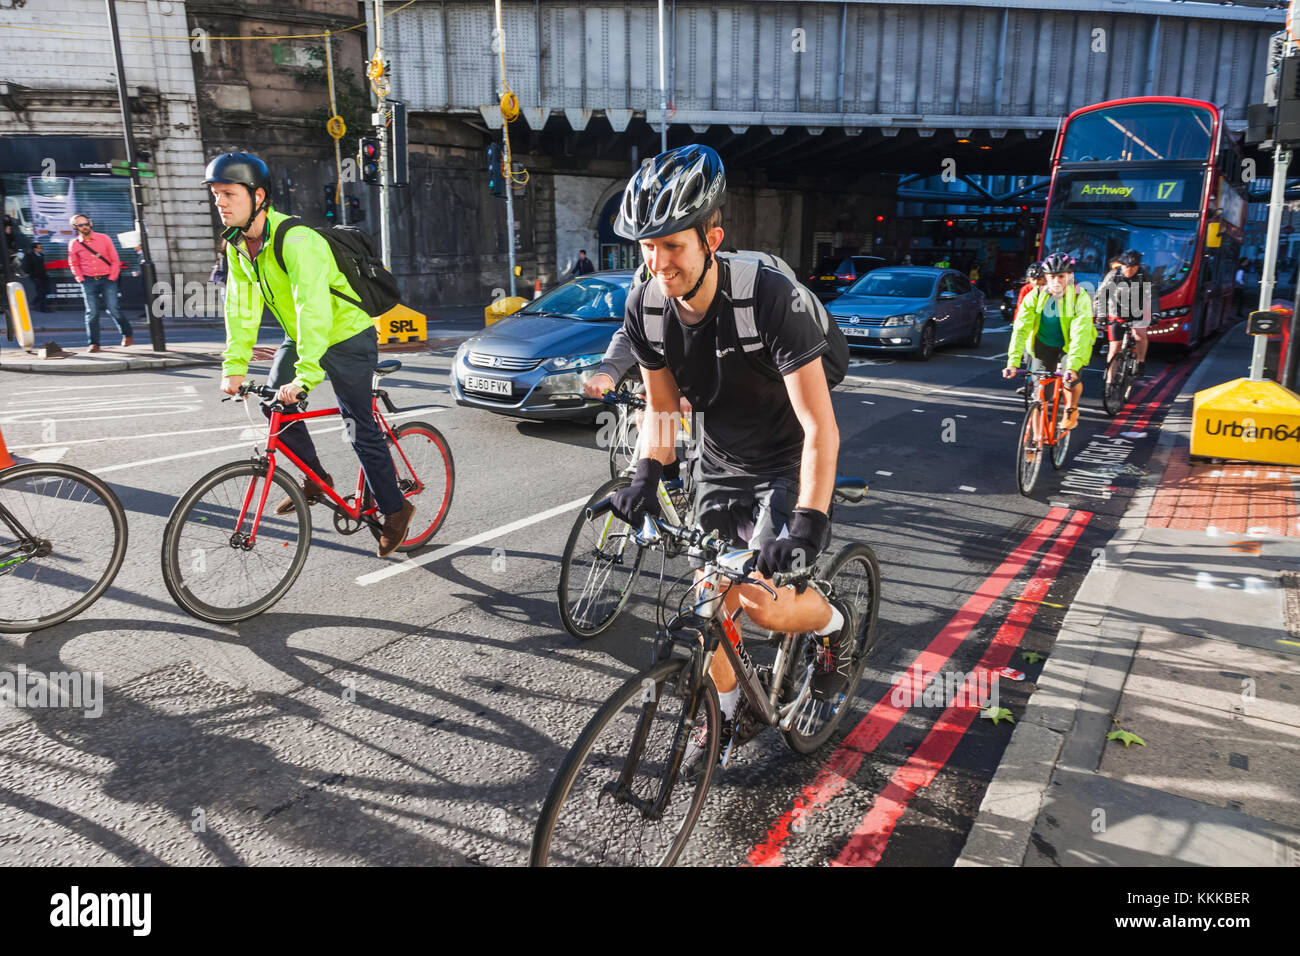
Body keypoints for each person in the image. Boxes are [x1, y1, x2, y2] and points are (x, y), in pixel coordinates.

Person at [607, 144, 856, 767]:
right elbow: (662, 407)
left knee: (764, 606)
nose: (657, 263)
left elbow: (820, 426)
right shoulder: (645, 307)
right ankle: (725, 717)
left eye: (673, 246)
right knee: (708, 596)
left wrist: (808, 526)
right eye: (646, 247)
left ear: (711, 237)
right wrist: (647, 472)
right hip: (718, 459)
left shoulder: (769, 299)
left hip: (785, 457)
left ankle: (835, 630)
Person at [206, 151, 414, 557]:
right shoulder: (238, 244)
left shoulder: (299, 241)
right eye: (216, 195)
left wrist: (305, 378)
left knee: (359, 426)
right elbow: (241, 307)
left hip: (347, 336)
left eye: (229, 193)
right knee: (274, 406)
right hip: (302, 336)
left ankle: (396, 508)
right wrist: (234, 366)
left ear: (258, 196)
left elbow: (313, 308)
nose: (221, 203)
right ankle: (316, 479)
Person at [1003, 253, 1095, 432]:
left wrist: (1072, 367)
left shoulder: (1079, 297)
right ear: (1046, 277)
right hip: (1044, 345)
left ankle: (1071, 409)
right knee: (1039, 396)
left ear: (1070, 276)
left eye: (1061, 276)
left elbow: (1080, 333)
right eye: (1052, 276)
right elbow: (1021, 328)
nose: (1056, 281)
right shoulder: (1035, 295)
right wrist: (1012, 363)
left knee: (1070, 382)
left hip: (1070, 346)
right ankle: (1036, 442)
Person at [67, 214, 132, 352]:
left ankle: (127, 333)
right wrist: (80, 278)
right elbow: (73, 263)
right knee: (92, 312)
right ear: (75, 227)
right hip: (88, 280)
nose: (85, 226)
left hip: (107, 279)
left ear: (90, 224)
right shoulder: (74, 243)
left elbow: (115, 259)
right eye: (81, 225)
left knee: (113, 309)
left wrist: (112, 277)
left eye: (86, 223)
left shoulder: (104, 238)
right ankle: (94, 343)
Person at [1095, 249, 1153, 379]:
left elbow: (1153, 297)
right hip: (1116, 313)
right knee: (1115, 348)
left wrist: (1155, 314)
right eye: (1126, 266)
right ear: (1121, 265)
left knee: (1140, 335)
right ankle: (1109, 381)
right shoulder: (1113, 276)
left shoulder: (1144, 276)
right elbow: (1101, 296)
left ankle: (1140, 362)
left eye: (1133, 267)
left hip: (1137, 311)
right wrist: (1101, 315)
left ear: (1138, 266)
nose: (1129, 270)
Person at [22, 242, 52, 312]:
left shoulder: (41, 255)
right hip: (35, 276)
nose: (41, 249)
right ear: (35, 249)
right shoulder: (29, 256)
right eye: (39, 248)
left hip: (43, 276)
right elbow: (27, 267)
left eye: (41, 248)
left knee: (46, 291)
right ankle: (42, 308)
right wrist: (32, 275)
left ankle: (35, 303)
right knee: (41, 292)